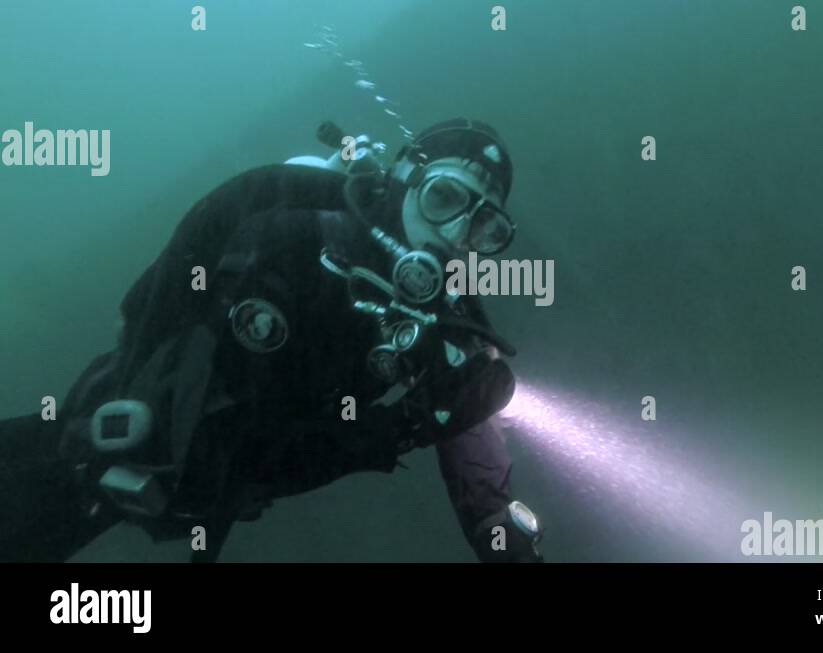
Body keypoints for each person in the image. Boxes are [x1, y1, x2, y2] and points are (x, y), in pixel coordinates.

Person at [0, 118, 543, 563]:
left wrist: (494, 523)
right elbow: (156, 318)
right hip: (90, 452)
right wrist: (403, 428)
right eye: (444, 197)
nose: (454, 235)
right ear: (405, 174)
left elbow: (466, 417)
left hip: (191, 501)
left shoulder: (439, 321)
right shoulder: (294, 229)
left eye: (483, 228)